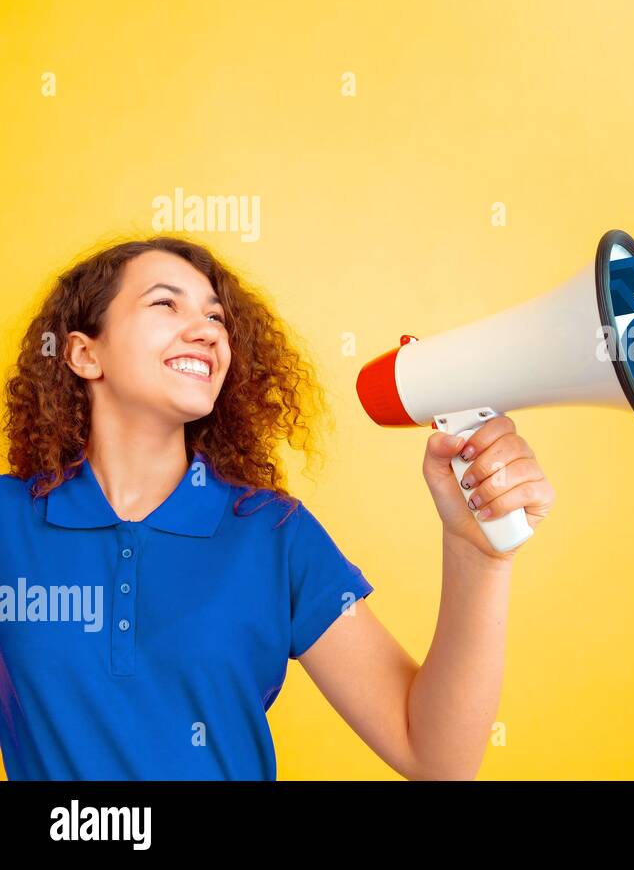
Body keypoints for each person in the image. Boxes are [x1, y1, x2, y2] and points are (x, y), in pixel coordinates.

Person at [0, 235, 554, 780]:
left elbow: (435, 757)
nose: (206, 332)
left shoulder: (271, 534)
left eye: (217, 319)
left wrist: (476, 555)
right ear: (83, 353)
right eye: (165, 303)